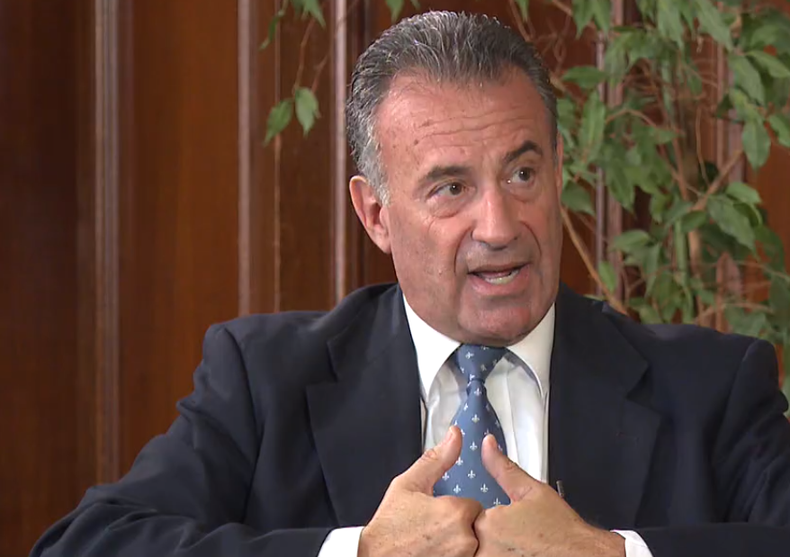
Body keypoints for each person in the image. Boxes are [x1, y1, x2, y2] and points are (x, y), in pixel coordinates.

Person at [31, 11, 790, 557]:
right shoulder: (263, 381)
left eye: (523, 173)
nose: (499, 224)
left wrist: (611, 554)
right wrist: (357, 552)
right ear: (376, 214)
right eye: (451, 188)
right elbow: (89, 543)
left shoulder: (713, 388)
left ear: (561, 174)